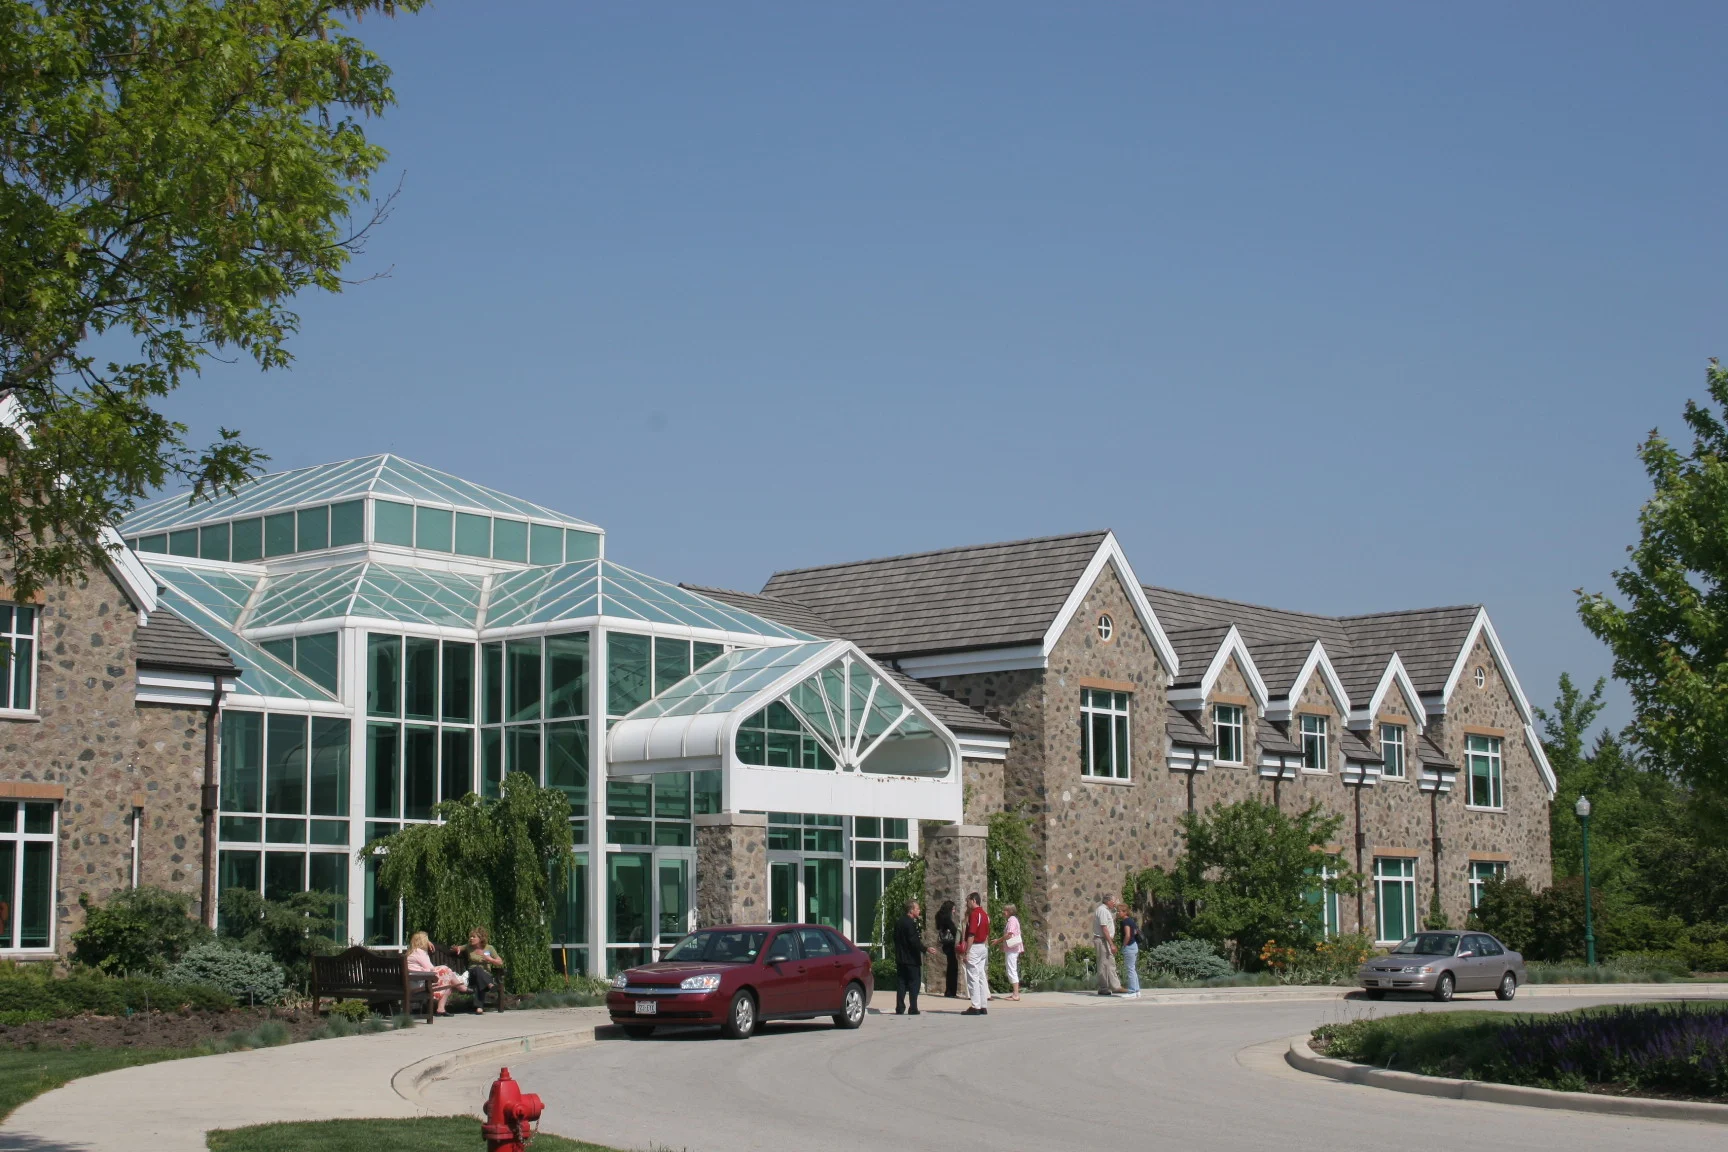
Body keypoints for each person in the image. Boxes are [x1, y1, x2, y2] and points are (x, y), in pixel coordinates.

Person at [407, 931, 461, 1015]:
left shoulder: (411, 952)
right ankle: (461, 987)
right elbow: (431, 969)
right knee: (446, 973)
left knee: (448, 978)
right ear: (423, 942)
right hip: (418, 984)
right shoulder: (419, 952)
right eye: (427, 940)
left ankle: (441, 1009)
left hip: (410, 983)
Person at [892, 899, 931, 1015]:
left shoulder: (899, 922)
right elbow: (914, 941)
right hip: (911, 959)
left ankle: (900, 1007)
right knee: (915, 983)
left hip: (901, 958)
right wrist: (925, 949)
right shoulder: (910, 924)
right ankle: (913, 1007)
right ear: (911, 910)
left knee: (901, 983)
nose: (919, 911)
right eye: (917, 909)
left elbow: (895, 938)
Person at [456, 927, 504, 1014]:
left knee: (480, 979)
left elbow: (500, 962)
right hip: (472, 975)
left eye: (474, 937)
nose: (471, 938)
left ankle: (479, 1007)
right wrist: (457, 949)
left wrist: (490, 959)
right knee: (477, 969)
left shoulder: (489, 948)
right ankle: (490, 985)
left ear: (481, 938)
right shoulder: (468, 947)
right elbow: (458, 947)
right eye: (470, 937)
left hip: (485, 975)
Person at [961, 891, 990, 1016]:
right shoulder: (985, 915)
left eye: (968, 901)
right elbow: (987, 933)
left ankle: (975, 1005)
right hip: (983, 946)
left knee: (973, 977)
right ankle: (983, 1005)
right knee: (981, 976)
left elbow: (971, 934)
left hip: (975, 947)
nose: (967, 904)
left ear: (973, 900)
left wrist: (967, 951)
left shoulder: (975, 914)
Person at [1093, 896, 1123, 996]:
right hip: (1102, 940)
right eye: (1113, 901)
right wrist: (1111, 944)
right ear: (1108, 901)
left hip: (1105, 939)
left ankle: (1116, 986)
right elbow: (1104, 928)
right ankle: (1103, 988)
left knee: (1111, 963)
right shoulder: (1102, 910)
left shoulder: (1107, 911)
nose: (1114, 903)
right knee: (1103, 964)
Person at [997, 903, 1023, 1001]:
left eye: (1005, 910)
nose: (1004, 912)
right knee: (1011, 969)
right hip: (1011, 948)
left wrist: (998, 941)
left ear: (1009, 911)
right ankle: (1014, 993)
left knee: (1011, 970)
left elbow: (1009, 934)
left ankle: (1016, 994)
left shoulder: (1012, 920)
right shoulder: (1012, 920)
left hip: (1012, 949)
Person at [935, 900, 960, 998]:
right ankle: (951, 991)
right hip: (950, 944)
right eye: (953, 909)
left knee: (951, 967)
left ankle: (949, 991)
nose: (954, 911)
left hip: (946, 944)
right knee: (953, 968)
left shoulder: (940, 917)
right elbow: (954, 931)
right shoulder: (947, 919)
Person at [1118, 900, 1141, 999]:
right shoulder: (1131, 921)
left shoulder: (1126, 921)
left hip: (1129, 946)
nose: (1118, 913)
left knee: (1130, 969)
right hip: (1134, 945)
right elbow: (1135, 933)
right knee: (1133, 969)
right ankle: (1137, 990)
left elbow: (1127, 935)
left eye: (1119, 911)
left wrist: (1124, 945)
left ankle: (1132, 991)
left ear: (1125, 912)